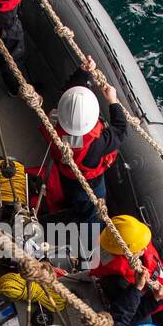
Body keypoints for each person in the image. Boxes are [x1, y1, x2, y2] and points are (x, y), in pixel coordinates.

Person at [45, 55, 127, 226]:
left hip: (67, 175)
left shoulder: (53, 122)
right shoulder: (95, 144)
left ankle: (74, 208)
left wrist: (83, 73)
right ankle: (90, 236)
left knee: (73, 197)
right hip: (89, 184)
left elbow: (71, 100)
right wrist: (113, 101)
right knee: (90, 211)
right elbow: (120, 130)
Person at [88, 214, 163, 324]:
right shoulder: (115, 280)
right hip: (141, 302)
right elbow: (129, 313)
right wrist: (154, 300)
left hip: (160, 290)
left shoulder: (140, 240)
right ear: (127, 252)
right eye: (140, 247)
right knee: (142, 325)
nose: (145, 247)